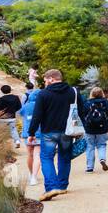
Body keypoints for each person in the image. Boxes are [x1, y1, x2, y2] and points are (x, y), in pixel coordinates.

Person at [26, 69, 79, 201]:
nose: (45, 83)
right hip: (67, 131)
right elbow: (82, 110)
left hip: (48, 132)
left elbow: (37, 115)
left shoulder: (43, 94)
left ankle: (51, 187)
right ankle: (61, 186)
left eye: (45, 80)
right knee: (65, 157)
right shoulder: (73, 92)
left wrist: (31, 133)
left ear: (51, 79)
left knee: (46, 157)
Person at [81, 87, 108, 172]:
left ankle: (90, 167)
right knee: (101, 145)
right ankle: (102, 159)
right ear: (102, 94)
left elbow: (82, 115)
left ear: (91, 94)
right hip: (103, 129)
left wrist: (84, 125)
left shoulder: (87, 103)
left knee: (90, 146)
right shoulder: (107, 103)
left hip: (89, 129)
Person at [20, 84, 41, 186]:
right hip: (39, 133)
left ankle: (31, 173)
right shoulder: (41, 106)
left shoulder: (25, 106)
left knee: (30, 154)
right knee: (37, 155)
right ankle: (34, 177)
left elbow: (20, 113)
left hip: (27, 133)